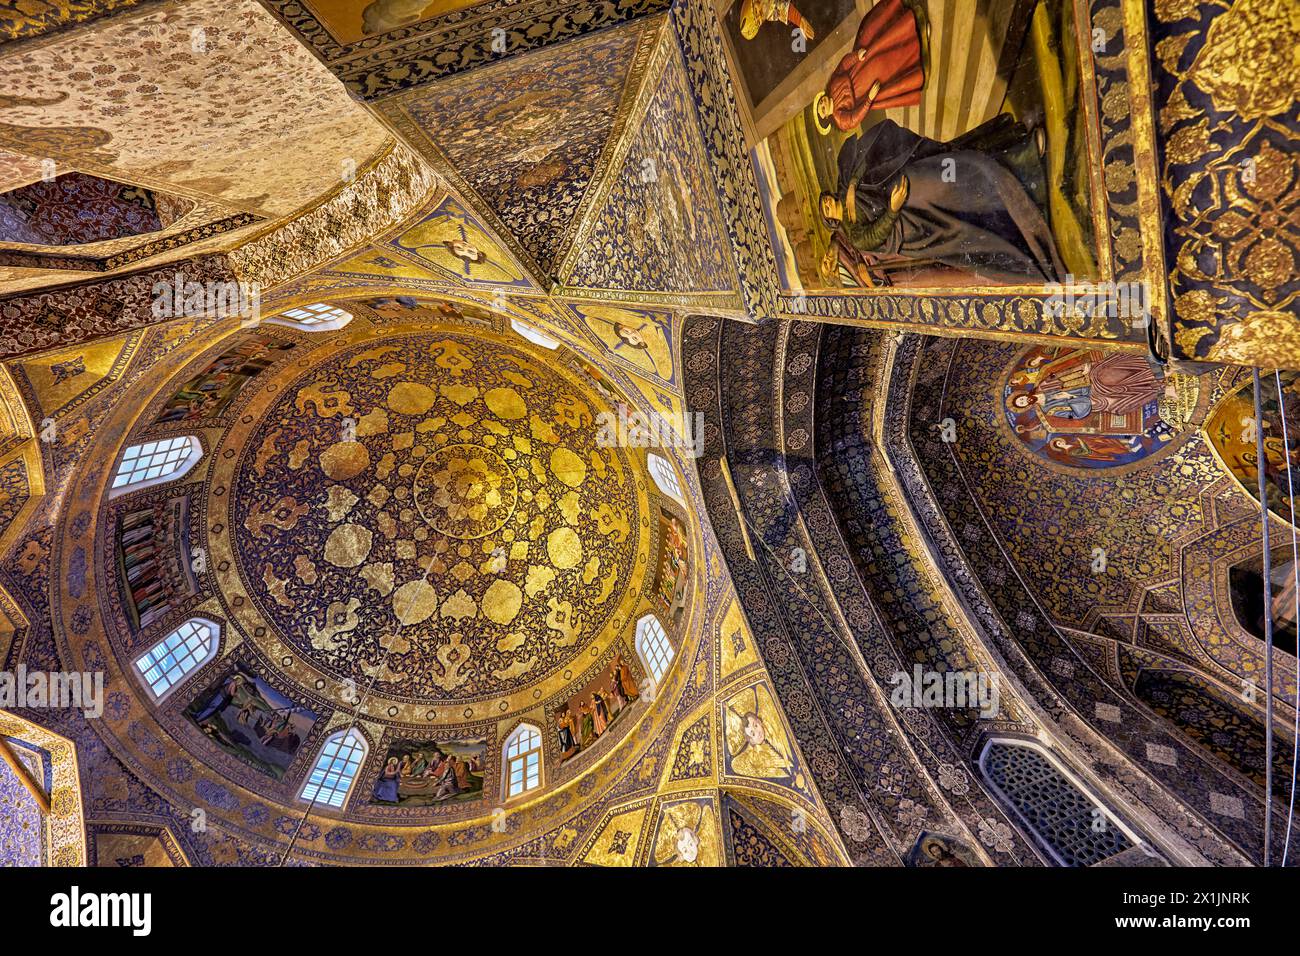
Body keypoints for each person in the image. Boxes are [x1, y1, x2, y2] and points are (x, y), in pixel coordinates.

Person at [818, 115, 1062, 284]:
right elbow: (874, 236)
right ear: (831, 220)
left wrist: (851, 185)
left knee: (960, 163)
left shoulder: (845, 182)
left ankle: (1022, 154)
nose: (828, 204)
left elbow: (865, 152)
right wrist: (893, 208)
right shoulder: (852, 233)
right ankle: (1029, 183)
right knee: (962, 188)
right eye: (825, 210)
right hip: (910, 224)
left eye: (824, 201)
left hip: (906, 182)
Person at [813, 0, 928, 134]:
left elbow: (843, 65)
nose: (822, 103)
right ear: (827, 117)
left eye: (820, 102)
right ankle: (919, 45)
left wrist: (857, 56)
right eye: (822, 109)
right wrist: (869, 98)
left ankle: (912, 22)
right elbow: (856, 117)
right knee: (889, 65)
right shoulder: (840, 120)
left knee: (873, 33)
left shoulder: (832, 85)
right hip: (866, 89)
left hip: (860, 67)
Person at [738, 0, 815, 40]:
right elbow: (780, 9)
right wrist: (799, 20)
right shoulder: (769, 13)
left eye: (755, 11)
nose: (760, 15)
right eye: (758, 22)